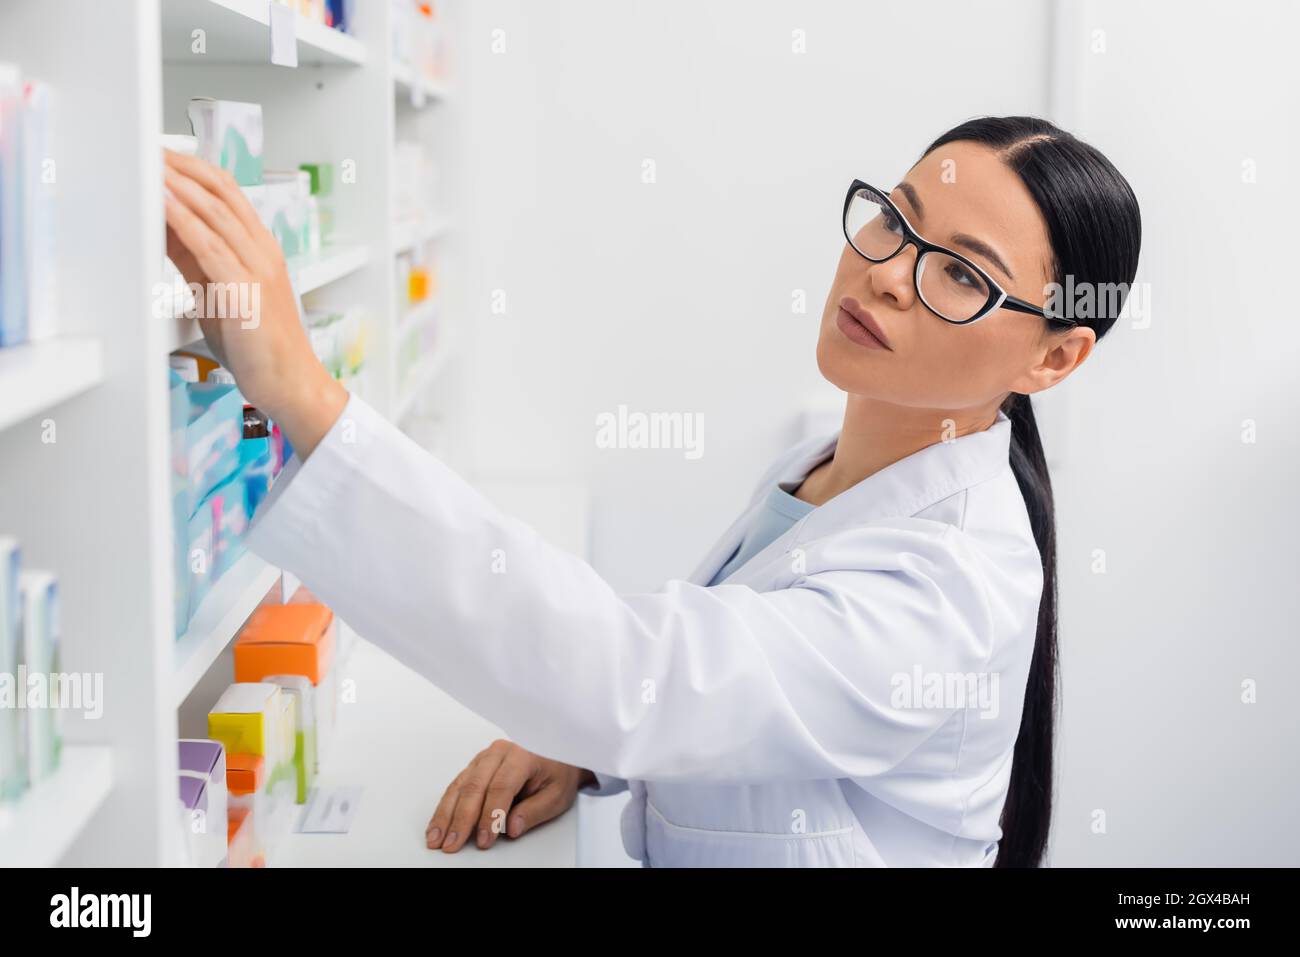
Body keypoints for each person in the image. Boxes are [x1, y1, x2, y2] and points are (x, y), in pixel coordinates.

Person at [162, 115, 1141, 867]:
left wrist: (303, 392)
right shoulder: (829, 464)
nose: (889, 274)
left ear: (1053, 358)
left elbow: (639, 673)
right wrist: (600, 747)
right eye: (895, 219)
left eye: (961, 275)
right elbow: (719, 687)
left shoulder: (952, 593)